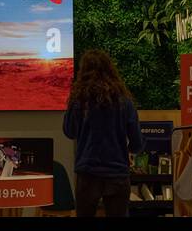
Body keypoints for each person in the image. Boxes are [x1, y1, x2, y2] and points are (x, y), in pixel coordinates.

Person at [61, 49, 142, 217]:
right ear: (110, 70)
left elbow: (69, 131)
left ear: (83, 72)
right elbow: (137, 144)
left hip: (88, 173)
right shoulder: (124, 102)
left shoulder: (79, 101)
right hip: (117, 173)